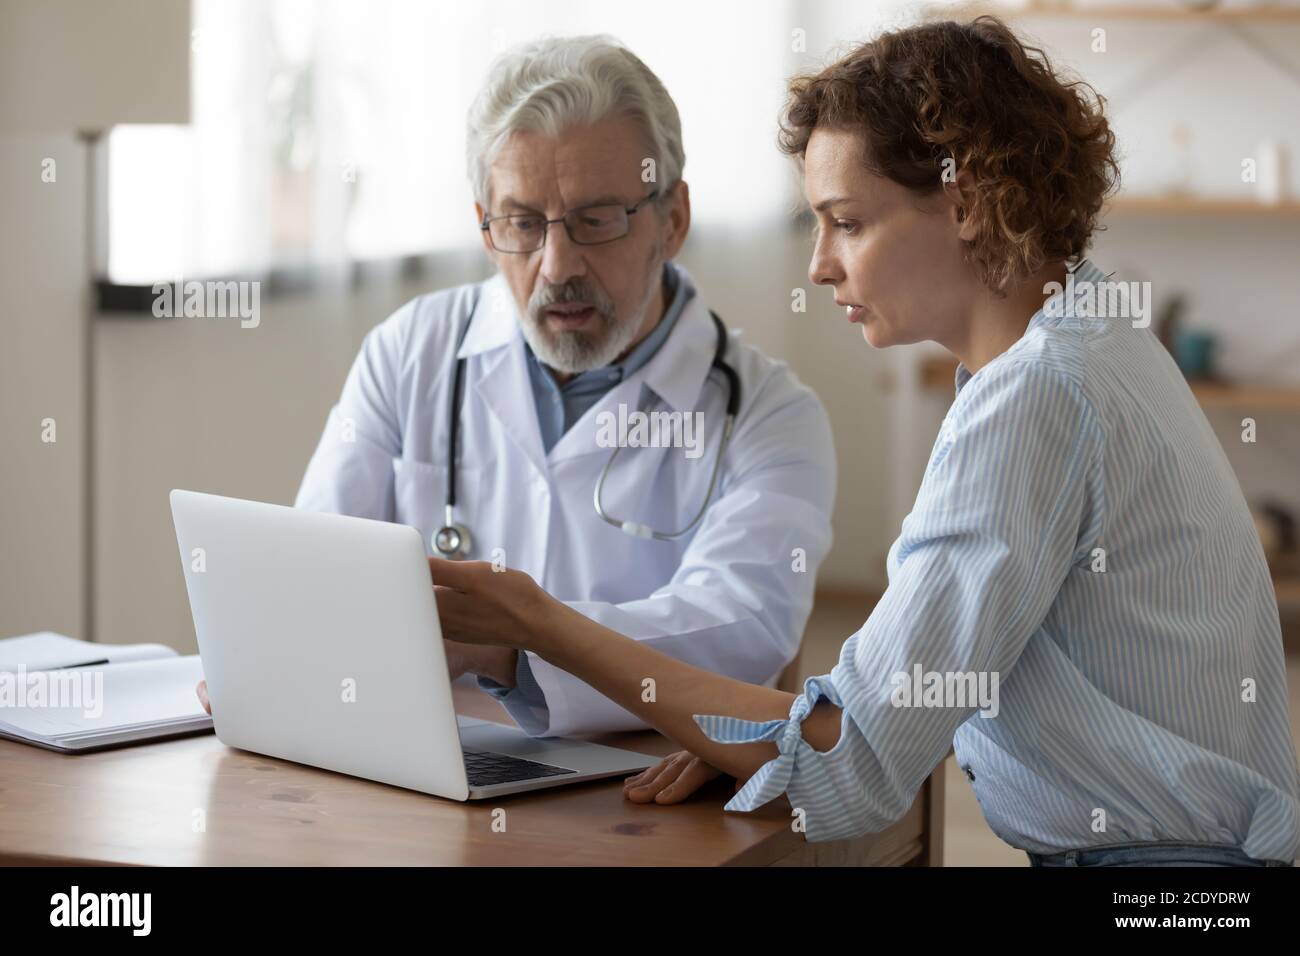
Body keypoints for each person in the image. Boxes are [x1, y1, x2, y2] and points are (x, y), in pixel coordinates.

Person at [426, 16, 1300, 866]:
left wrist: (536, 622)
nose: (818, 265)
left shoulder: (1036, 398)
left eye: (846, 221)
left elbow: (851, 761)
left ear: (965, 202)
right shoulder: (1088, 336)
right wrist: (772, 731)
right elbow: (882, 695)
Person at [195, 35, 836, 739]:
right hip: (426, 764)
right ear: (483, 225)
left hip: (648, 785)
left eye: (596, 220)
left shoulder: (772, 417)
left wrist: (510, 646)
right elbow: (314, 569)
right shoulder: (412, 353)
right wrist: (270, 653)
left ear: (672, 219)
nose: (557, 265)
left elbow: (742, 634)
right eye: (523, 224)